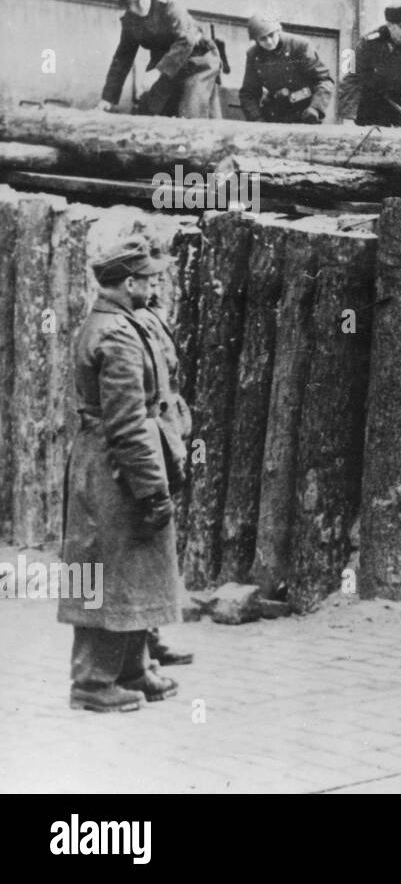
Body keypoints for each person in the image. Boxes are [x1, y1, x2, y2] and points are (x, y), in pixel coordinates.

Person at [59, 238, 188, 711]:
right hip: (115, 469)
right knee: (100, 571)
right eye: (148, 276)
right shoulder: (115, 333)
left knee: (132, 569)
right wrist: (152, 488)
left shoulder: (126, 321)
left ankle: (131, 670)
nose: (156, 281)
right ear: (128, 282)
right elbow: (127, 423)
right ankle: (92, 684)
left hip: (122, 466)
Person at [138, 286, 195, 668]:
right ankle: (142, 641)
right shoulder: (136, 321)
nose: (154, 285)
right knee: (145, 540)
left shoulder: (150, 314)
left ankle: (150, 636)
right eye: (147, 277)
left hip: (165, 431)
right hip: (152, 436)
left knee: (157, 543)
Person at [96, 0, 222, 118]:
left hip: (198, 61)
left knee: (190, 110)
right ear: (126, 6)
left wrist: (158, 71)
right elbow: (123, 58)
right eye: (135, 3)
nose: (141, 5)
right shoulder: (130, 22)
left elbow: (187, 41)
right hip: (166, 63)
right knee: (149, 107)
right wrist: (108, 97)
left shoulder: (170, 9)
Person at [238, 14, 334, 124]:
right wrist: (257, 119)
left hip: (306, 113)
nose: (269, 41)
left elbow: (324, 80)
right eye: (263, 38)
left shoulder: (300, 46)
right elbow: (248, 93)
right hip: (276, 113)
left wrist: (315, 109)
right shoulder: (254, 55)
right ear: (256, 40)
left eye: (271, 35)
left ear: (278, 30)